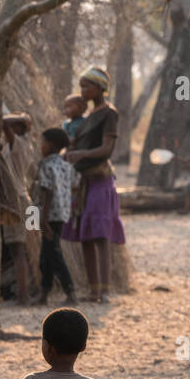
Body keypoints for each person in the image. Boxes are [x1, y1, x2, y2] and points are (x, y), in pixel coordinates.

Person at [62, 67, 125, 304]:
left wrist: (81, 154)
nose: (83, 91)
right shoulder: (88, 117)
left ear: (100, 88)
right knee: (86, 236)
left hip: (100, 179)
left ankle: (105, 291)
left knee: (100, 235)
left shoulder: (109, 114)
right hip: (84, 181)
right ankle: (94, 290)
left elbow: (107, 149)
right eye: (81, 87)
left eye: (86, 86)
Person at [32, 127, 77, 306]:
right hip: (61, 214)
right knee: (47, 254)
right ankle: (44, 292)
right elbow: (75, 185)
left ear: (50, 145)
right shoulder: (66, 165)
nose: (40, 146)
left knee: (54, 253)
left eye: (42, 143)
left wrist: (42, 220)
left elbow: (46, 192)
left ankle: (70, 290)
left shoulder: (45, 165)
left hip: (47, 214)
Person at [0, 114, 33, 305]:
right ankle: (25, 291)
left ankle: (23, 295)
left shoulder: (16, 145)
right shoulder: (22, 146)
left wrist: (8, 120)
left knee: (17, 250)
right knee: (25, 248)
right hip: (26, 200)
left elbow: (3, 123)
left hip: (17, 201)